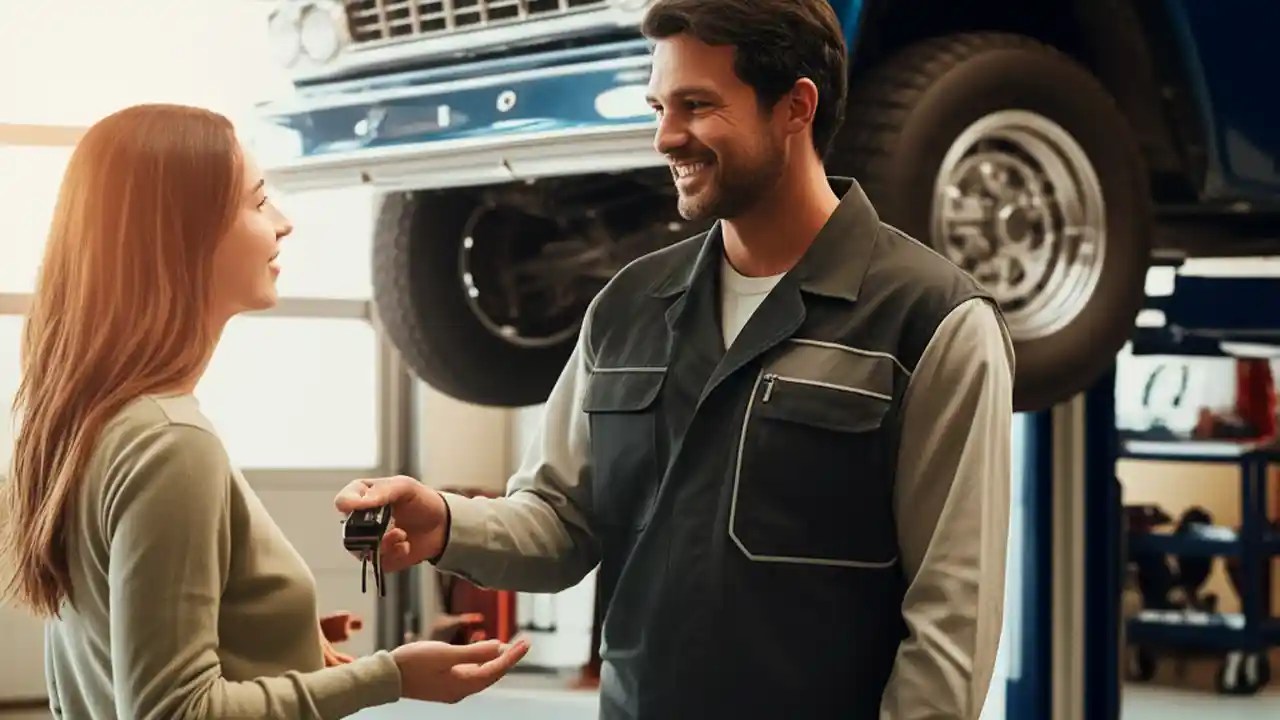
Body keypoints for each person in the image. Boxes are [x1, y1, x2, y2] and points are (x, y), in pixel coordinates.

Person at [336, 0, 1014, 717]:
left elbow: (951, 622)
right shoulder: (628, 307)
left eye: (696, 105)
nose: (665, 136)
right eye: (659, 105)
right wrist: (443, 520)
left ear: (796, 107)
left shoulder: (932, 321)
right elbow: (561, 520)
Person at [0, 103, 528, 720]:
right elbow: (176, 711)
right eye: (257, 203)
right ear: (183, 236)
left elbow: (105, 666)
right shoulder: (171, 444)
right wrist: (387, 677)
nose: (283, 224)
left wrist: (282, 642)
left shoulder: (91, 424)